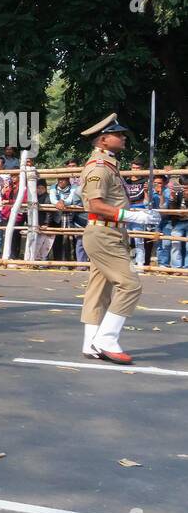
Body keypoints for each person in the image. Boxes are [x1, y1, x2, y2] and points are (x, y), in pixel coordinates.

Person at [76, 113, 159, 364]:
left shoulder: (109, 165)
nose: (123, 137)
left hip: (109, 230)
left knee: (99, 290)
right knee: (130, 285)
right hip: (104, 233)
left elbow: (112, 203)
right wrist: (134, 218)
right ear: (103, 140)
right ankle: (106, 339)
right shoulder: (98, 169)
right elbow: (96, 205)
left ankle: (91, 342)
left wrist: (135, 212)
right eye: (118, 134)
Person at [159, 177, 187, 269]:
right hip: (178, 222)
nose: (184, 189)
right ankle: (176, 267)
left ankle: (186, 267)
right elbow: (171, 210)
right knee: (175, 242)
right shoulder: (178, 193)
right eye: (183, 187)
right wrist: (172, 198)